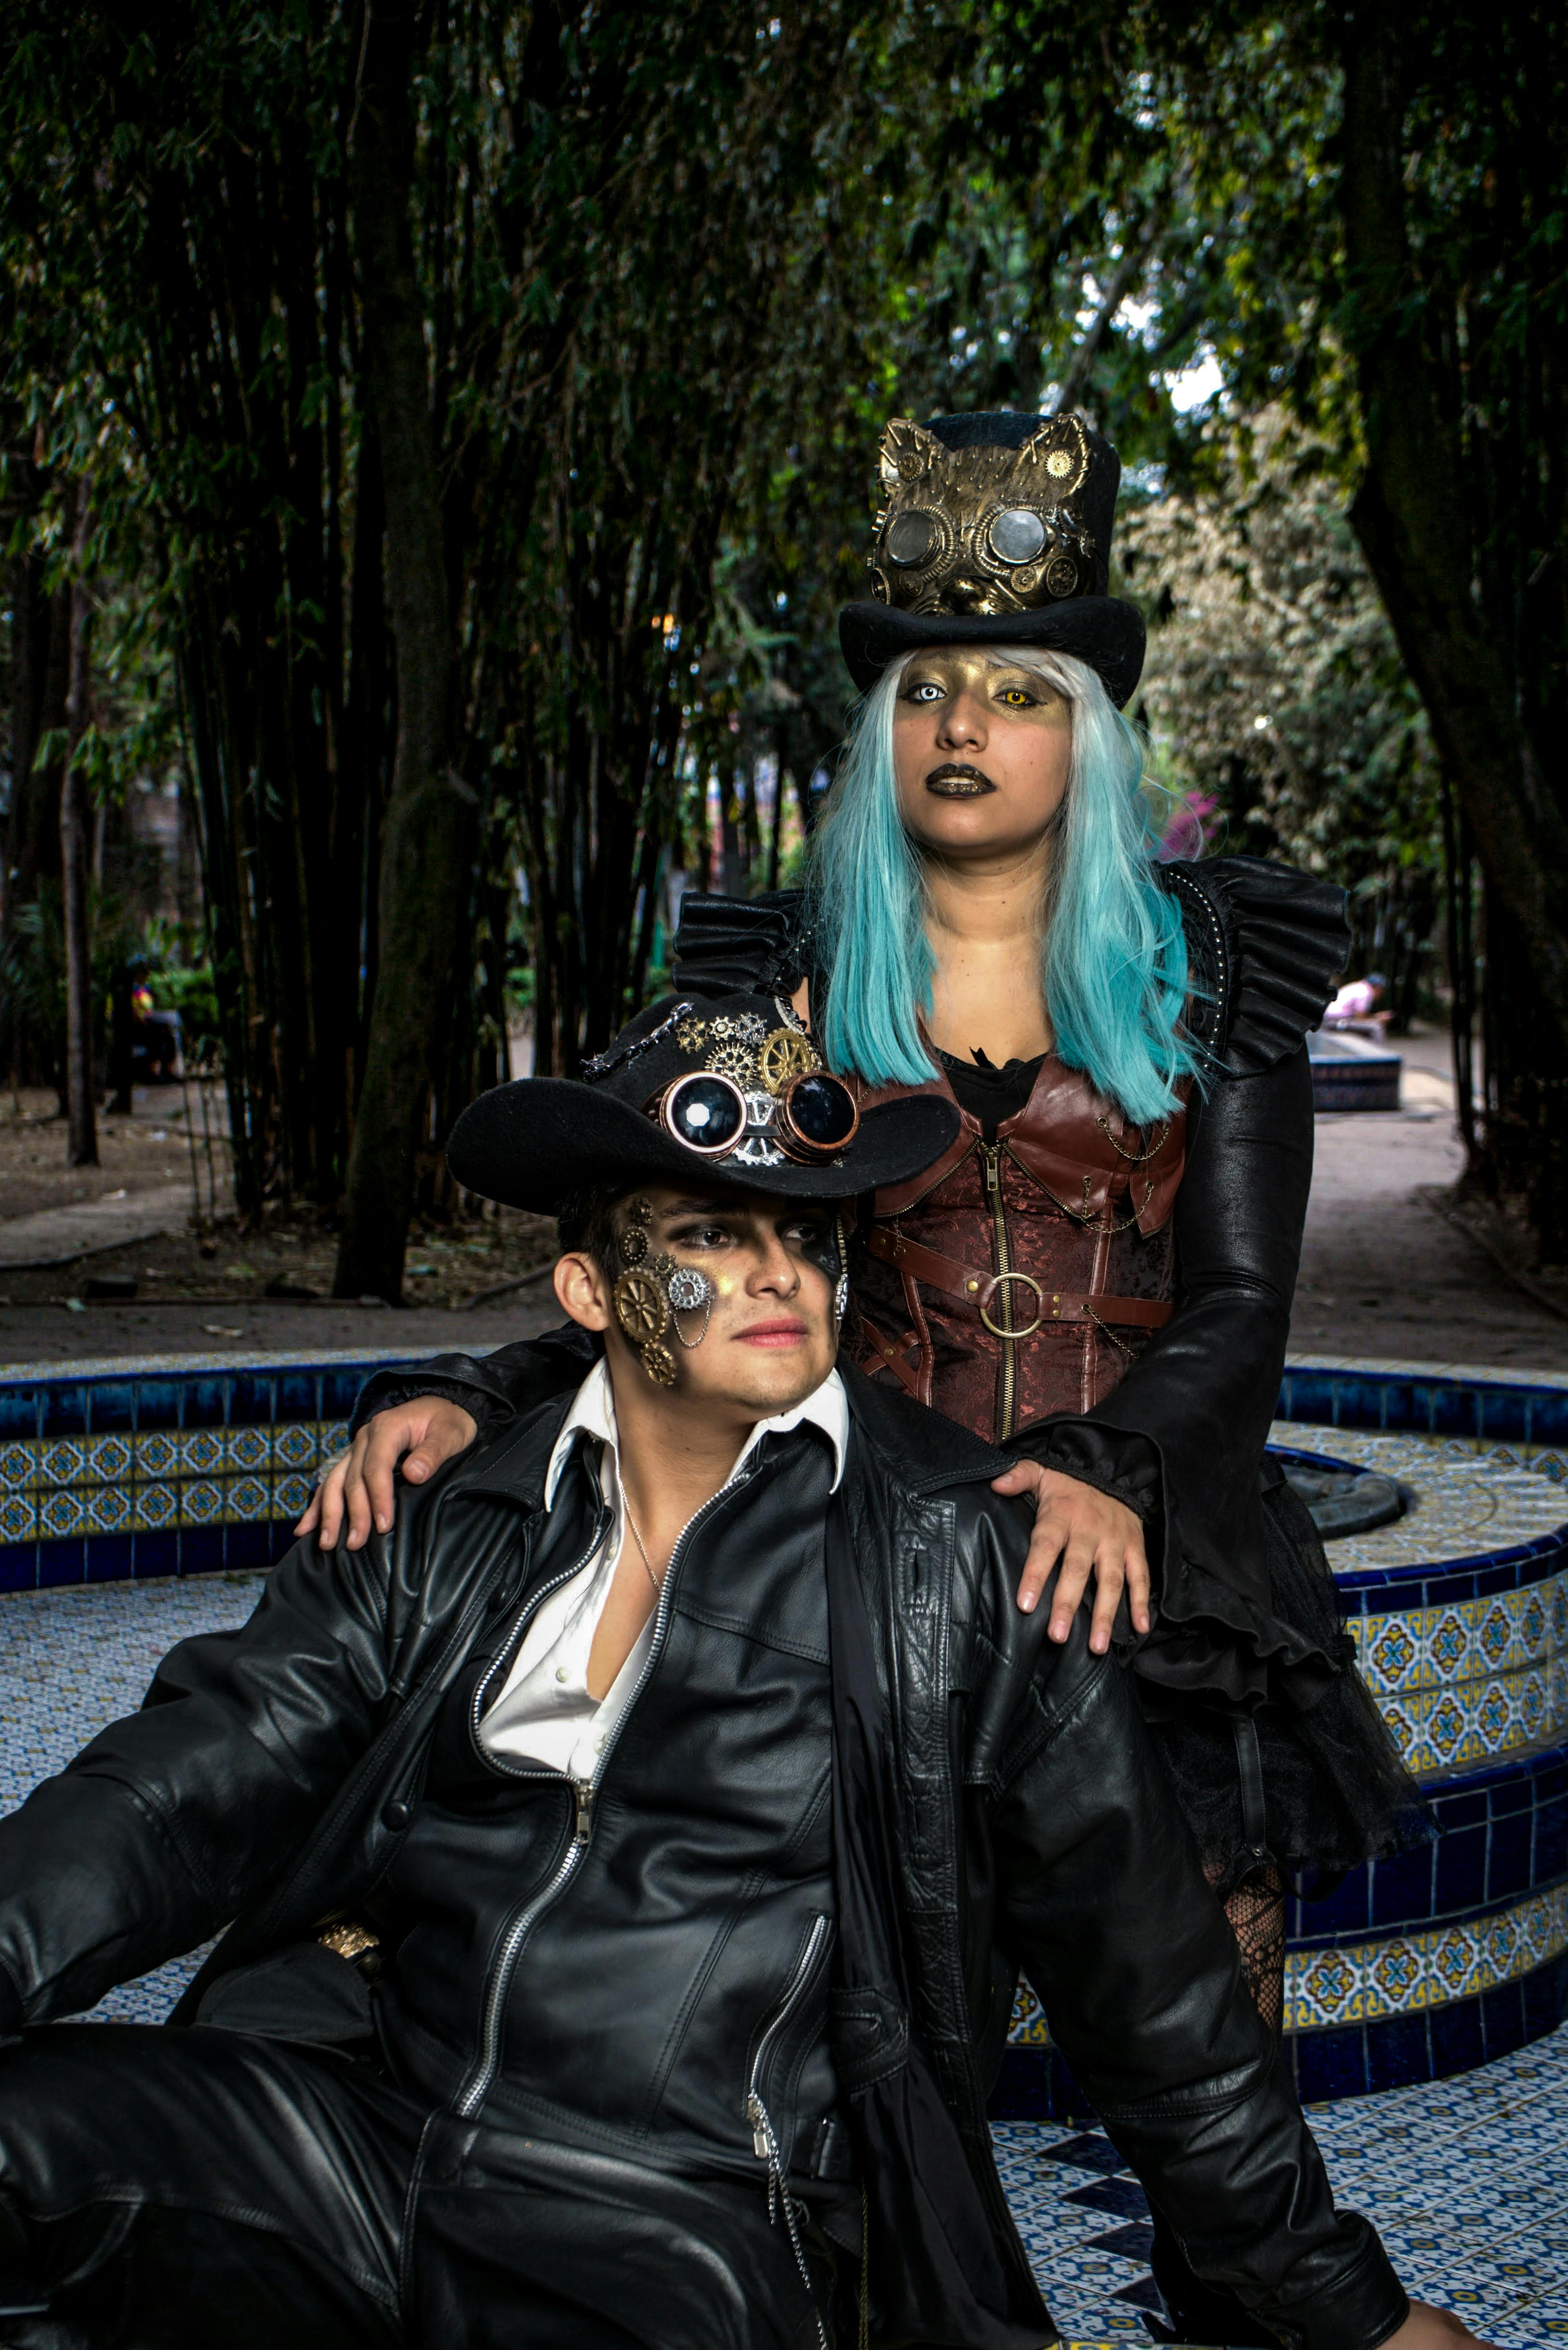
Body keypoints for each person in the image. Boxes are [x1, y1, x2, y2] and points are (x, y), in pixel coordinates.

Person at [319, 408, 1423, 2344]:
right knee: (846, 2087)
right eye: (926, 691)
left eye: (1016, 687)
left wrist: (1096, 1468)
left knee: (1210, 2115)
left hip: (1146, 1569)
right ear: (880, 731)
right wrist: (474, 1391)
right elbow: (675, 1250)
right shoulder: (778, 977)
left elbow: (1241, 1312)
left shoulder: (1209, 963)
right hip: (863, 1564)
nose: (965, 725)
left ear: (1085, 729)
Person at [0, 995, 1487, 2350]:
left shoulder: (960, 1562)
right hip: (356, 2129)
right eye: (709, 1231)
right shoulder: (452, 1512)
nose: (779, 1269)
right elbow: (181, 1781)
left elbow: (1160, 1997)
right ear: (589, 1286)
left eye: (807, 1229)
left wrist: (1347, 2310)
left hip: (689, 2220)